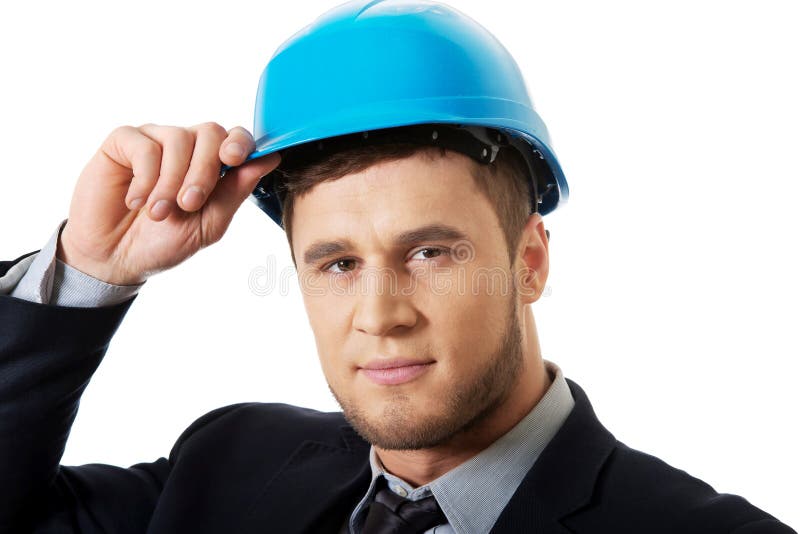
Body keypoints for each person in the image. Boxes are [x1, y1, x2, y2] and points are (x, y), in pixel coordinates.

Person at [0, 1, 795, 533]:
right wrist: (89, 269)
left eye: (429, 252)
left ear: (528, 262)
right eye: (338, 263)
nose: (381, 315)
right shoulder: (226, 465)